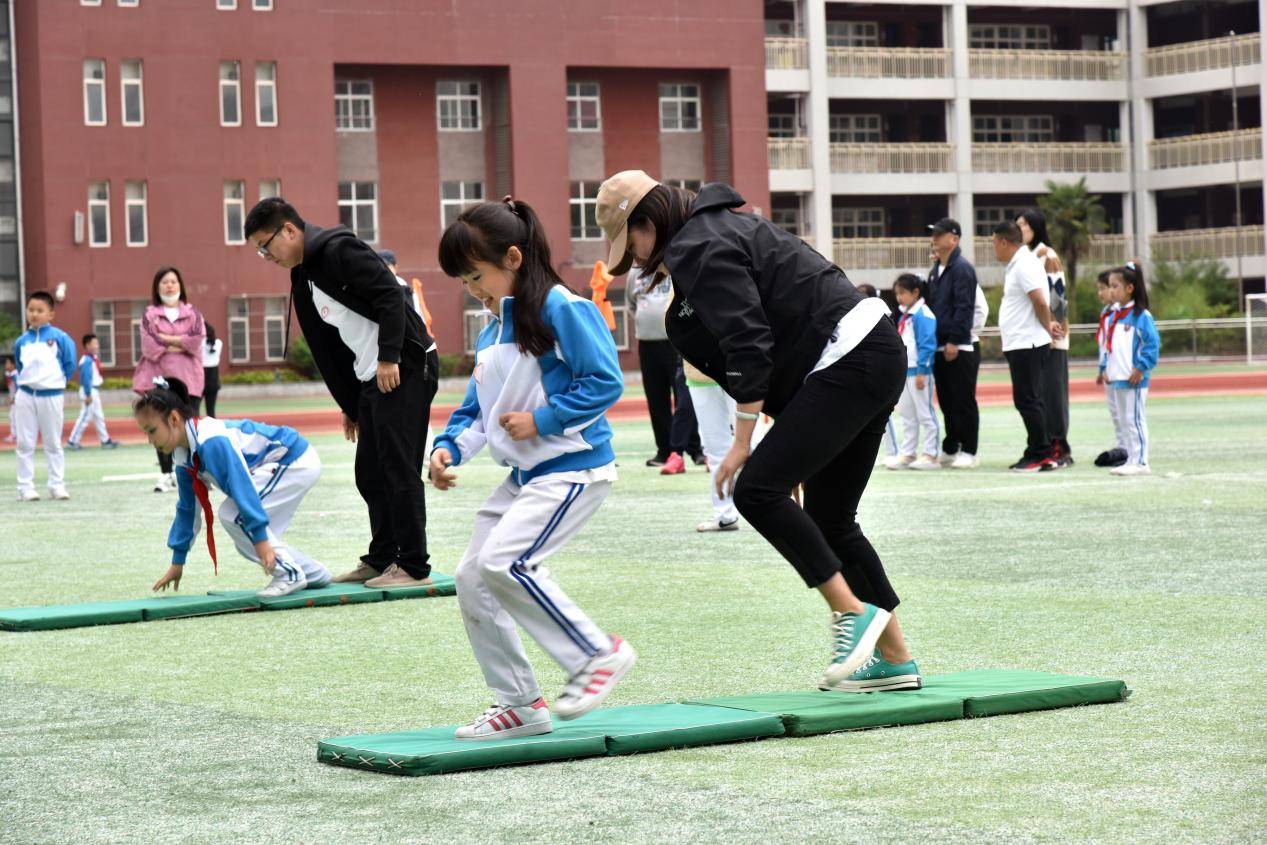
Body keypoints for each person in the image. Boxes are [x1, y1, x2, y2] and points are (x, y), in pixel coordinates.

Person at [597, 170, 919, 692]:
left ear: (648, 220)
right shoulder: (719, 230)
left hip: (849, 357)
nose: (632, 258)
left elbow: (751, 341)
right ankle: (896, 658)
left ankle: (850, 614)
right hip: (869, 353)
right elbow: (776, 338)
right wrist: (787, 439)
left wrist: (744, 443)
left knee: (754, 490)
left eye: (629, 240)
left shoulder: (698, 244)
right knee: (831, 519)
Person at [430, 197, 635, 738]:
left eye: (476, 275)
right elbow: (478, 411)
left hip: (573, 470)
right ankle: (520, 704)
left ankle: (598, 653)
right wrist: (447, 448)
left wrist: (545, 420)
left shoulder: (562, 307)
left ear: (514, 258)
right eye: (464, 280)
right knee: (473, 578)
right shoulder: (492, 328)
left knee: (506, 562)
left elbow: (605, 380)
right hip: (524, 479)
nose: (472, 289)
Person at [244, 197, 439, 589]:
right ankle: (383, 557)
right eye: (259, 252)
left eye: (266, 246)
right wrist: (351, 405)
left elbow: (390, 294)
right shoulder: (303, 276)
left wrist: (389, 357)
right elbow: (329, 349)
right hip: (371, 375)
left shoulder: (338, 249)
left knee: (398, 466)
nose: (266, 256)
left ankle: (413, 564)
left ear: (289, 230)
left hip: (406, 365)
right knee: (369, 471)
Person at [136, 377, 332, 598]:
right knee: (243, 532)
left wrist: (260, 539)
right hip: (285, 465)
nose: (149, 440)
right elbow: (188, 510)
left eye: (151, 430)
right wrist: (177, 562)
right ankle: (314, 573)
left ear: (173, 419)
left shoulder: (210, 440)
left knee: (235, 517)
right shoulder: (183, 456)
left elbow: (241, 486)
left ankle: (289, 574)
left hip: (293, 460)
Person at [993, 221, 1061, 473]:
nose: (993, 250)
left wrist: (1047, 326)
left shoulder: (1024, 264)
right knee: (1027, 399)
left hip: (1028, 343)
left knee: (1028, 399)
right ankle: (1036, 449)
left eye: (994, 244)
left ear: (1004, 242)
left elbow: (1040, 302)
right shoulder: (1019, 264)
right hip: (1021, 342)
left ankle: (1042, 453)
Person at [132, 267, 207, 493]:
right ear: (157, 287)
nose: (170, 286)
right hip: (158, 376)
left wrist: (165, 338)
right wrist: (181, 342)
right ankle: (166, 474)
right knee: (159, 425)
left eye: (174, 281)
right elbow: (149, 346)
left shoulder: (194, 314)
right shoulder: (149, 315)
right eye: (164, 282)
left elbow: (196, 343)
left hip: (189, 379)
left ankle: (196, 473)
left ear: (180, 285)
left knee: (191, 428)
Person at [628, 263, 702, 470]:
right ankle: (664, 451)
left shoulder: (673, 266)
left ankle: (695, 450)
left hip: (675, 344)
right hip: (647, 344)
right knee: (655, 399)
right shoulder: (634, 272)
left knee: (684, 398)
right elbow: (631, 304)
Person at [926, 218, 981, 470]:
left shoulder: (962, 268)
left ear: (954, 239)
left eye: (940, 234)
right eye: (934, 234)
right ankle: (952, 446)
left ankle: (969, 450)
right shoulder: (936, 270)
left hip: (958, 346)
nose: (935, 239)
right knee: (947, 400)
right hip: (940, 345)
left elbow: (964, 307)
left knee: (963, 399)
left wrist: (954, 341)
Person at [1019, 209, 1072, 468]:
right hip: (1035, 337)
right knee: (1038, 393)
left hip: (1052, 336)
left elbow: (1058, 295)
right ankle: (1046, 445)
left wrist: (1057, 329)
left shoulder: (1047, 256)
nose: (1019, 230)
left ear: (1035, 227)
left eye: (1023, 225)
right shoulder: (1027, 257)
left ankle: (1060, 446)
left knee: (1053, 392)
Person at [13, 291, 76, 501]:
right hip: (25, 396)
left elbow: (70, 363)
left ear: (51, 314)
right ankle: (25, 487)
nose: (34, 314)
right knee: (24, 443)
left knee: (53, 443)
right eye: (31, 310)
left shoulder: (60, 338)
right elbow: (20, 366)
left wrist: (57, 384)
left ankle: (57, 485)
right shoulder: (21, 342)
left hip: (52, 396)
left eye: (40, 310)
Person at [1099, 262, 1159, 477]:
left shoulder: (1141, 316)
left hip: (1133, 379)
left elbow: (1152, 345)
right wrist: (1104, 366)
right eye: (1110, 286)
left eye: (1116, 286)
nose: (1111, 290)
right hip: (1117, 378)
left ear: (1130, 288)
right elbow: (1108, 344)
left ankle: (1141, 461)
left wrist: (1141, 367)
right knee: (1125, 422)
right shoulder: (1114, 315)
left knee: (1135, 420)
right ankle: (1130, 459)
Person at [891, 274, 940, 471]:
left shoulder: (924, 315)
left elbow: (927, 345)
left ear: (915, 292)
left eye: (902, 293)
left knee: (924, 413)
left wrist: (922, 371)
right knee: (907, 414)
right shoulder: (905, 315)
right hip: (905, 371)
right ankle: (909, 452)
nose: (898, 297)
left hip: (920, 372)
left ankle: (931, 454)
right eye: (897, 293)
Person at [684, 360, 740, 532]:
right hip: (699, 372)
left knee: (754, 443)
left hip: (741, 368)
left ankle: (774, 506)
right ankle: (725, 514)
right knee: (715, 448)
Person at [1093, 271, 1128, 468]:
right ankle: (1122, 445)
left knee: (1125, 411)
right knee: (1115, 411)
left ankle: (1129, 448)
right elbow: (1104, 343)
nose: (1101, 293)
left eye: (1104, 288)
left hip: (1119, 369)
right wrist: (1102, 367)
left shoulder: (1118, 313)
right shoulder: (1106, 313)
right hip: (1108, 370)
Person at [67, 333, 120, 450]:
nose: (97, 346)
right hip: (89, 391)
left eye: (97, 343)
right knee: (85, 417)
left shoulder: (91, 359)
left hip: (93, 391)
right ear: (87, 345)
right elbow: (85, 378)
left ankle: (105, 440)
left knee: (98, 417)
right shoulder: (87, 361)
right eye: (94, 343)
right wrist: (88, 394)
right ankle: (72, 441)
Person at [202, 324, 223, 418]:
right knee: (211, 411)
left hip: (201, 376)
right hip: (213, 377)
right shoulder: (219, 343)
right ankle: (213, 431)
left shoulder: (200, 343)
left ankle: (194, 431)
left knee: (194, 408)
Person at [4, 356, 19, 443]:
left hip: (16, 400)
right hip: (14, 399)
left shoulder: (14, 374)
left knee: (14, 416)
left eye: (7, 363)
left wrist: (14, 398)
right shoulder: (11, 374)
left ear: (13, 365)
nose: (6, 365)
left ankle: (14, 435)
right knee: (13, 416)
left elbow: (18, 387)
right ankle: (15, 434)